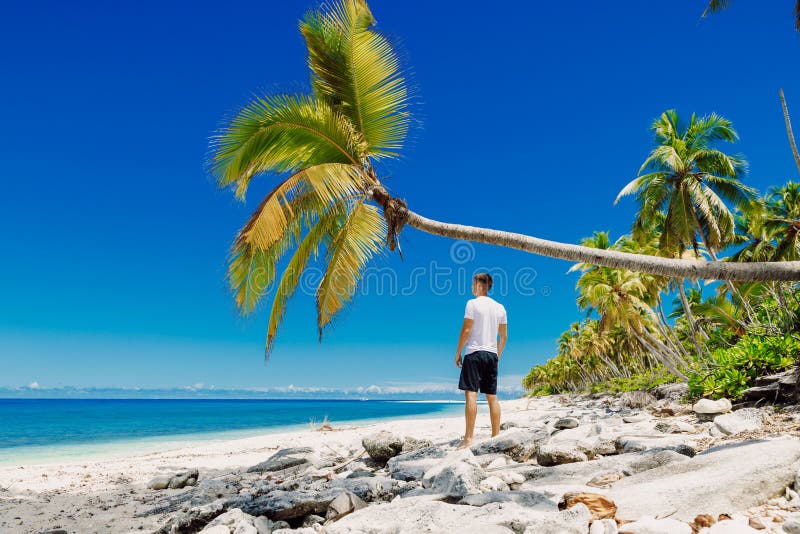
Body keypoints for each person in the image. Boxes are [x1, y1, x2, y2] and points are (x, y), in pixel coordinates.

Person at [454, 272, 508, 449]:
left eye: (472, 283)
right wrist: (497, 356)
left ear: (479, 285)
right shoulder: (500, 307)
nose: (471, 287)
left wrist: (458, 353)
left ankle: (469, 438)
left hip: (474, 353)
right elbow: (504, 336)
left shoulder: (472, 304)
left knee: (471, 393)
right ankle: (496, 436)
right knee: (492, 396)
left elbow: (466, 330)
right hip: (491, 355)